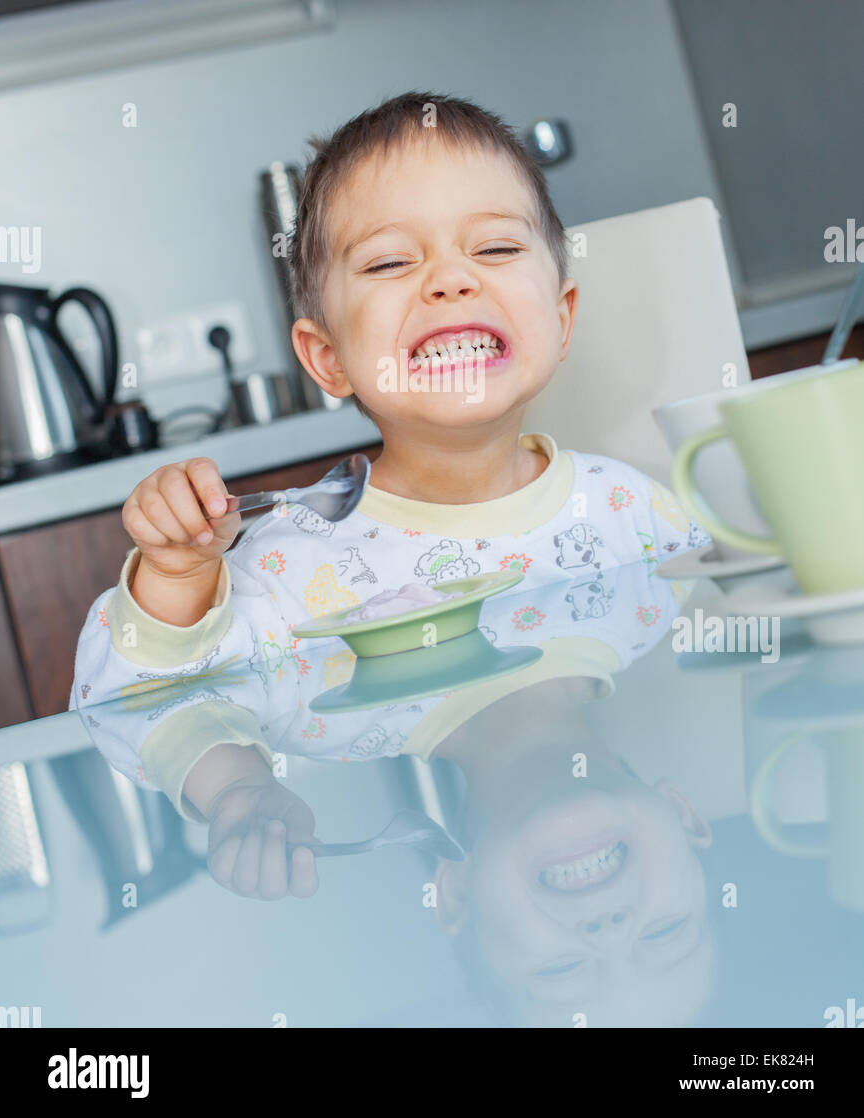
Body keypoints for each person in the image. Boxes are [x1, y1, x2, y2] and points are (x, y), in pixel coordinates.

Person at [72, 91, 709, 898]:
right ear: (327, 357)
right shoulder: (296, 563)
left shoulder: (637, 518)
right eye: (389, 262)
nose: (449, 280)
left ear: (561, 314)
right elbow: (122, 699)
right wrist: (175, 581)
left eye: (497, 248)